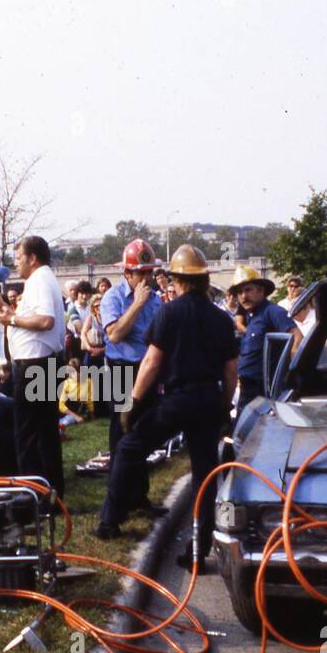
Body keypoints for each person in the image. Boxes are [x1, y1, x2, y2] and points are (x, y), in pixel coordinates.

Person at [96, 245, 239, 573]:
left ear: (177, 279)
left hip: (176, 399)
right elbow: (231, 370)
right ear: (204, 280)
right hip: (207, 399)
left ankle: (110, 520)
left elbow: (151, 362)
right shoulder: (221, 318)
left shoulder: (168, 312)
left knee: (130, 446)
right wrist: (223, 406)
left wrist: (131, 402)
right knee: (205, 475)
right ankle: (198, 551)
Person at [0, 235, 68, 496]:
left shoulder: (39, 281)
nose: (16, 264)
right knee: (44, 431)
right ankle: (50, 490)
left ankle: (32, 493)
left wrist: (12, 320)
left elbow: (45, 321)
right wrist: (3, 307)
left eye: (18, 258)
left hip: (35, 365)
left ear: (32, 258)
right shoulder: (42, 279)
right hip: (41, 363)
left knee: (28, 433)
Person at [100, 239, 164, 508]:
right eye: (141, 272)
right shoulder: (112, 298)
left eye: (150, 272)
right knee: (121, 435)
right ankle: (118, 499)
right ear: (127, 273)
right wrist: (137, 305)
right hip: (120, 370)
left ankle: (139, 496)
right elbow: (114, 334)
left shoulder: (156, 301)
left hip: (145, 371)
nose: (147, 278)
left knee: (142, 434)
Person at [230, 265, 296, 408]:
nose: (243, 296)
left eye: (248, 290)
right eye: (239, 292)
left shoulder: (273, 312)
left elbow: (296, 340)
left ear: (261, 291)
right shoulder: (251, 317)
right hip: (248, 389)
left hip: (264, 391)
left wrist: (283, 379)